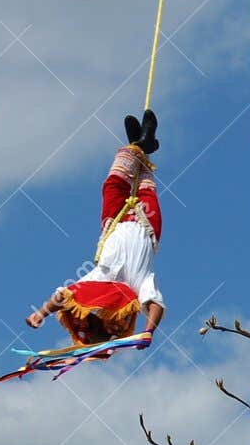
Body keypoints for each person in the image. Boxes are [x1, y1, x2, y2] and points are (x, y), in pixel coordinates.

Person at [26, 110, 165, 345]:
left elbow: (62, 297)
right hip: (146, 226)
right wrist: (148, 332)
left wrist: (40, 313)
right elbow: (156, 305)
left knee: (112, 185)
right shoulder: (139, 285)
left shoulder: (97, 278)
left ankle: (139, 145)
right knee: (144, 184)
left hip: (113, 223)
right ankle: (143, 144)